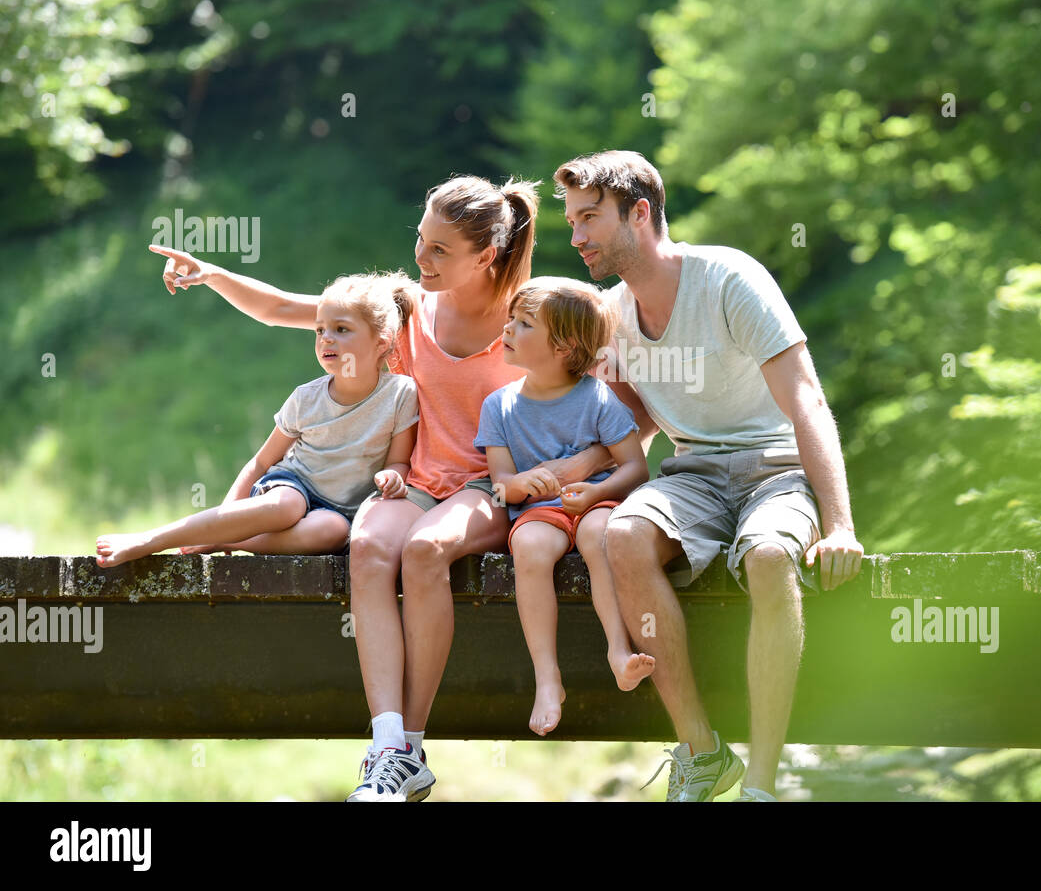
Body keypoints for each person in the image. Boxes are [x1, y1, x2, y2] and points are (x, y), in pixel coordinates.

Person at [150, 176, 608, 802]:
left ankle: (412, 749)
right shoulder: (409, 305)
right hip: (415, 482)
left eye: (441, 250)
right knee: (367, 548)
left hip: (490, 488)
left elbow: (603, 398)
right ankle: (386, 745)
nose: (422, 259)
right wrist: (212, 273)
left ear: (486, 256)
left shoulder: (529, 318)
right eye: (421, 240)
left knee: (423, 551)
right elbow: (289, 308)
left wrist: (582, 476)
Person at [554, 150, 866, 801]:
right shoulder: (612, 316)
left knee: (772, 556)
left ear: (639, 213)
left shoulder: (729, 279)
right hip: (691, 473)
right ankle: (702, 752)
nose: (577, 237)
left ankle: (762, 780)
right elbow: (630, 424)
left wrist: (839, 526)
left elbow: (805, 397)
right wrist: (564, 475)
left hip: (775, 470)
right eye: (572, 222)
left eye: (590, 218)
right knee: (624, 535)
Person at [94, 272, 419, 567]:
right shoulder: (306, 398)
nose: (326, 339)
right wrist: (226, 513)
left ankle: (231, 540)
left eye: (341, 329)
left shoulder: (400, 394)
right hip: (294, 487)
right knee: (287, 506)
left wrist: (393, 478)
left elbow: (399, 462)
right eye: (320, 329)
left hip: (340, 512)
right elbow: (261, 462)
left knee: (333, 532)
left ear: (381, 340)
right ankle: (151, 540)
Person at [475, 277, 654, 736]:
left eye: (524, 323)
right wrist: (519, 484)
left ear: (563, 347)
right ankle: (547, 676)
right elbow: (499, 488)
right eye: (512, 319)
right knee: (530, 547)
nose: (509, 329)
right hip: (542, 512)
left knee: (600, 535)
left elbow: (635, 467)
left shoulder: (597, 398)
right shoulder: (499, 406)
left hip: (597, 502)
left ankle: (618, 649)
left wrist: (598, 493)